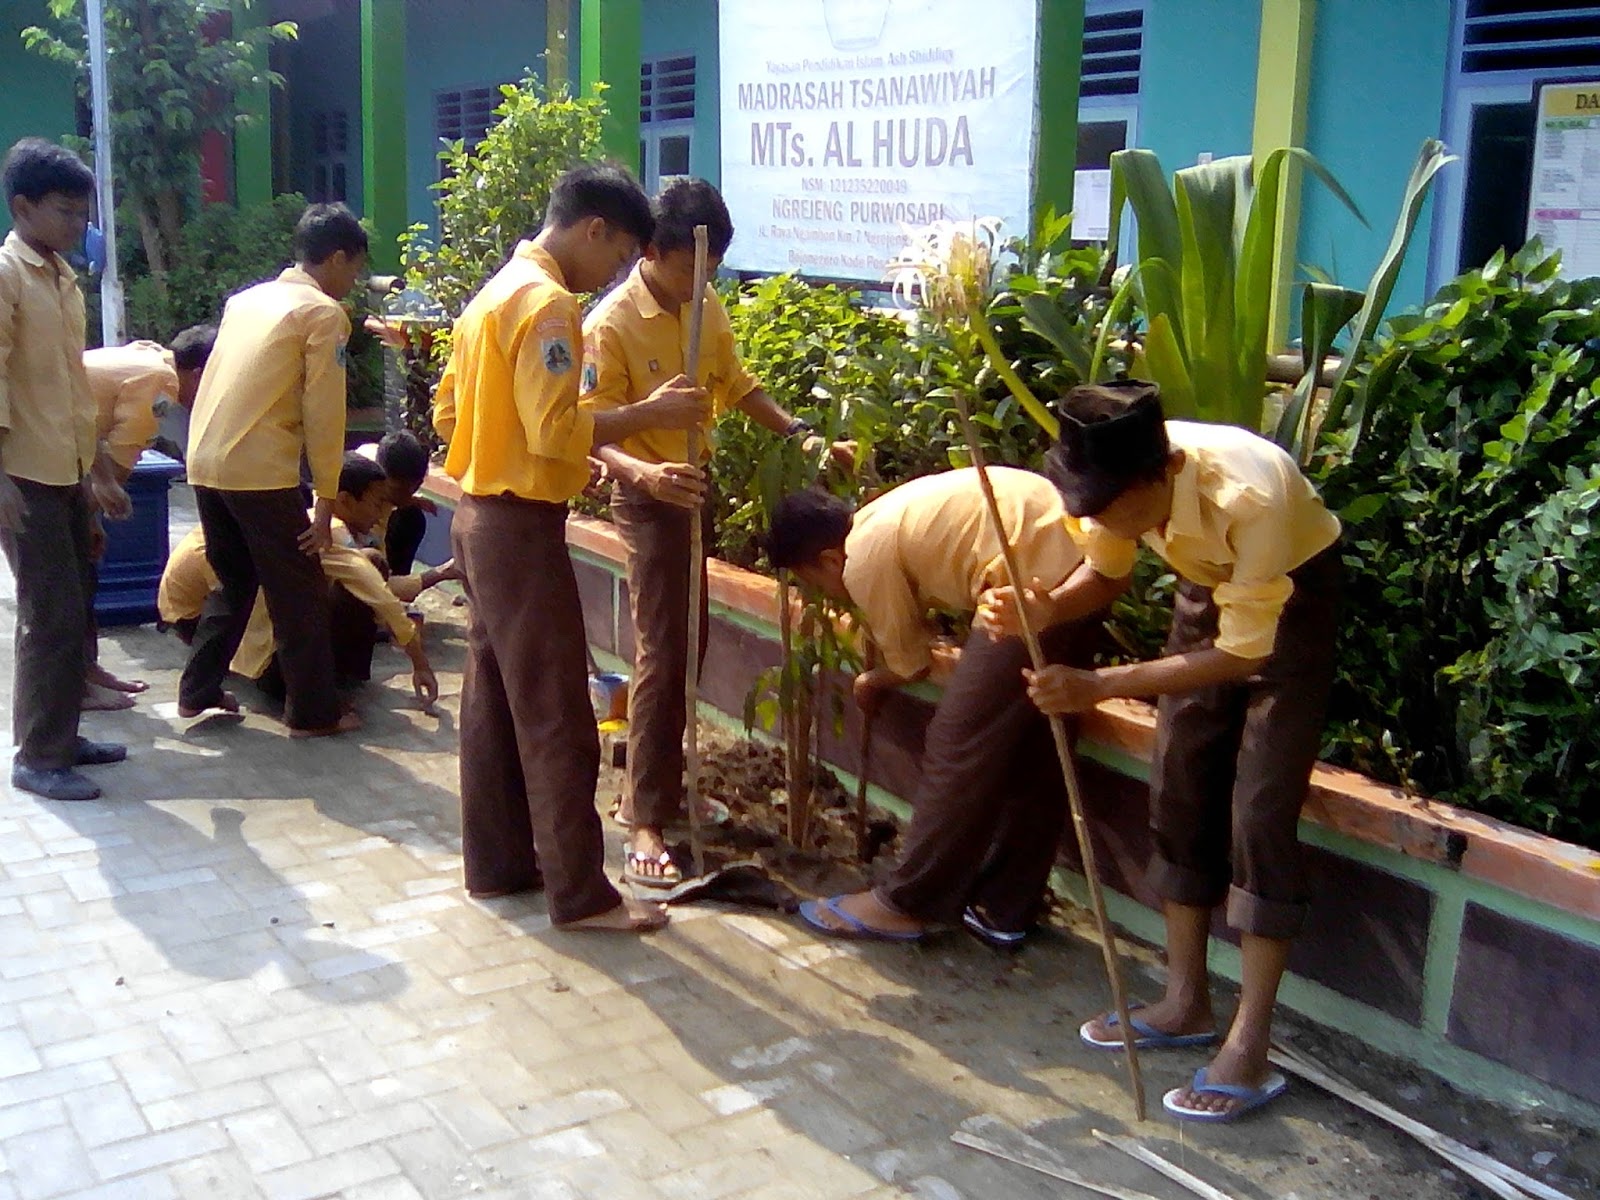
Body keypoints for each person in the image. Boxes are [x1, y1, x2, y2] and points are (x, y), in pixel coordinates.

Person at [980, 381, 1343, 1123]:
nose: (1095, 517)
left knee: (1259, 809)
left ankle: (1251, 1040)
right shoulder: (1115, 472)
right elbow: (1106, 573)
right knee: (1179, 776)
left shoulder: (1250, 493)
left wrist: (1101, 683)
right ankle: (1186, 1001)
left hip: (1291, 600)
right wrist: (1042, 606)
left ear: (1164, 473)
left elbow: (1245, 653)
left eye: (1107, 506)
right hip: (1206, 585)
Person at [433, 162, 713, 933]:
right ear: (595, 230)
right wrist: (643, 415)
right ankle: (582, 894)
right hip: (518, 529)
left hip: (479, 513)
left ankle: (497, 867)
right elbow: (555, 428)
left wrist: (505, 459)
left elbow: (447, 410)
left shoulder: (494, 292)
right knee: (557, 711)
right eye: (618, 255)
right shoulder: (550, 306)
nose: (613, 275)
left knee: (492, 701)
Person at [582, 177, 850, 887]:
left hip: (694, 493)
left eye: (712, 274)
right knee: (661, 656)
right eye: (688, 271)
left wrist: (802, 433)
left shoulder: (709, 307)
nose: (699, 286)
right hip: (649, 500)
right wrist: (643, 476)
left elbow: (737, 384)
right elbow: (586, 426)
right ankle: (643, 816)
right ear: (652, 251)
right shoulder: (611, 324)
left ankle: (667, 785)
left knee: (688, 650)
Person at [766, 468, 1091, 946]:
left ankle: (909, 902)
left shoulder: (861, 558)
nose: (819, 592)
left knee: (956, 739)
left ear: (828, 559)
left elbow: (911, 662)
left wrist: (872, 678)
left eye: (810, 579)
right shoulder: (879, 515)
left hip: (1028, 584)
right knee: (1032, 746)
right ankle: (1004, 907)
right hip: (1081, 570)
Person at [179, 203, 368, 737]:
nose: (351, 283)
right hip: (258, 470)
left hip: (205, 461)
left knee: (236, 579)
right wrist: (327, 496)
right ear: (335, 258)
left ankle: (197, 689)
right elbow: (324, 413)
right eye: (352, 269)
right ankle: (314, 712)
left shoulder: (247, 300)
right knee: (300, 591)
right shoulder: (323, 314)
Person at [0, 138, 127, 802]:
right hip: (23, 475)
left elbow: (73, 384)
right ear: (22, 207)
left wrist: (98, 467)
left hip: (66, 467)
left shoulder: (61, 276)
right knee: (48, 614)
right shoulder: (7, 275)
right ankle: (38, 756)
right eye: (65, 211)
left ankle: (63, 734)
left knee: (76, 607)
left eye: (82, 212)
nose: (78, 224)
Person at [158, 453, 439, 707]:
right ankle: (305, 695)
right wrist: (420, 664)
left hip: (184, 613)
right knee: (358, 576)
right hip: (196, 619)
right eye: (378, 504)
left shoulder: (291, 519)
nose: (381, 514)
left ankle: (275, 682)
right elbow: (382, 596)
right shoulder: (325, 533)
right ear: (343, 501)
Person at [81, 324, 216, 710]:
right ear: (198, 375)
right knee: (64, 584)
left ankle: (87, 670)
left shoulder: (154, 357)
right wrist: (95, 518)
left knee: (82, 574)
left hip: (57, 450)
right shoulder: (158, 386)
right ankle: (74, 686)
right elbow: (118, 479)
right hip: (31, 460)